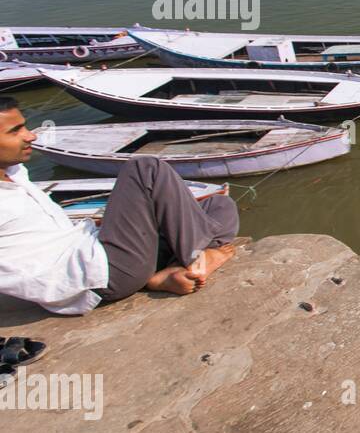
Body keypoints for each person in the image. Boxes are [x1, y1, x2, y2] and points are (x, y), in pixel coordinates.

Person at [0, 97, 238, 316]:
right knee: (145, 169)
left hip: (102, 249)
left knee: (219, 204)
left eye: (24, 126)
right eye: (15, 131)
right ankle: (198, 260)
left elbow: (45, 235)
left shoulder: (14, 173)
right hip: (101, 273)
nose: (30, 136)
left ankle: (169, 270)